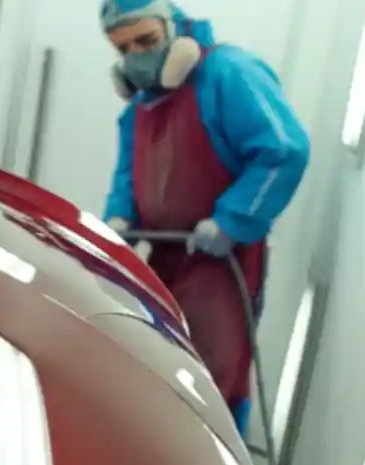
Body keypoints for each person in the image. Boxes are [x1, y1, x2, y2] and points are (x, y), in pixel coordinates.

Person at [100, 0, 309, 433]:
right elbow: (128, 174)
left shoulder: (230, 76)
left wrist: (232, 221)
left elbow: (284, 151)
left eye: (147, 41)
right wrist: (118, 219)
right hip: (160, 257)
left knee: (208, 380)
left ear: (177, 31)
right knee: (146, 368)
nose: (137, 57)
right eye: (125, 50)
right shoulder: (140, 107)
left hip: (219, 259)